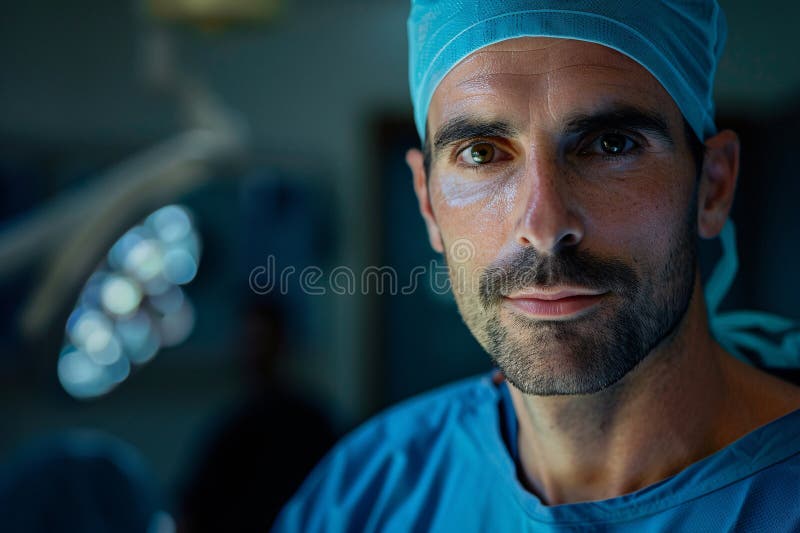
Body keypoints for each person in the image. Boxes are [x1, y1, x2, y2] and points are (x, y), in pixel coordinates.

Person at [273, 1, 800, 530]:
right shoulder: (366, 495)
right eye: (481, 153)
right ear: (427, 202)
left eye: (611, 144)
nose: (545, 226)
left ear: (714, 186)